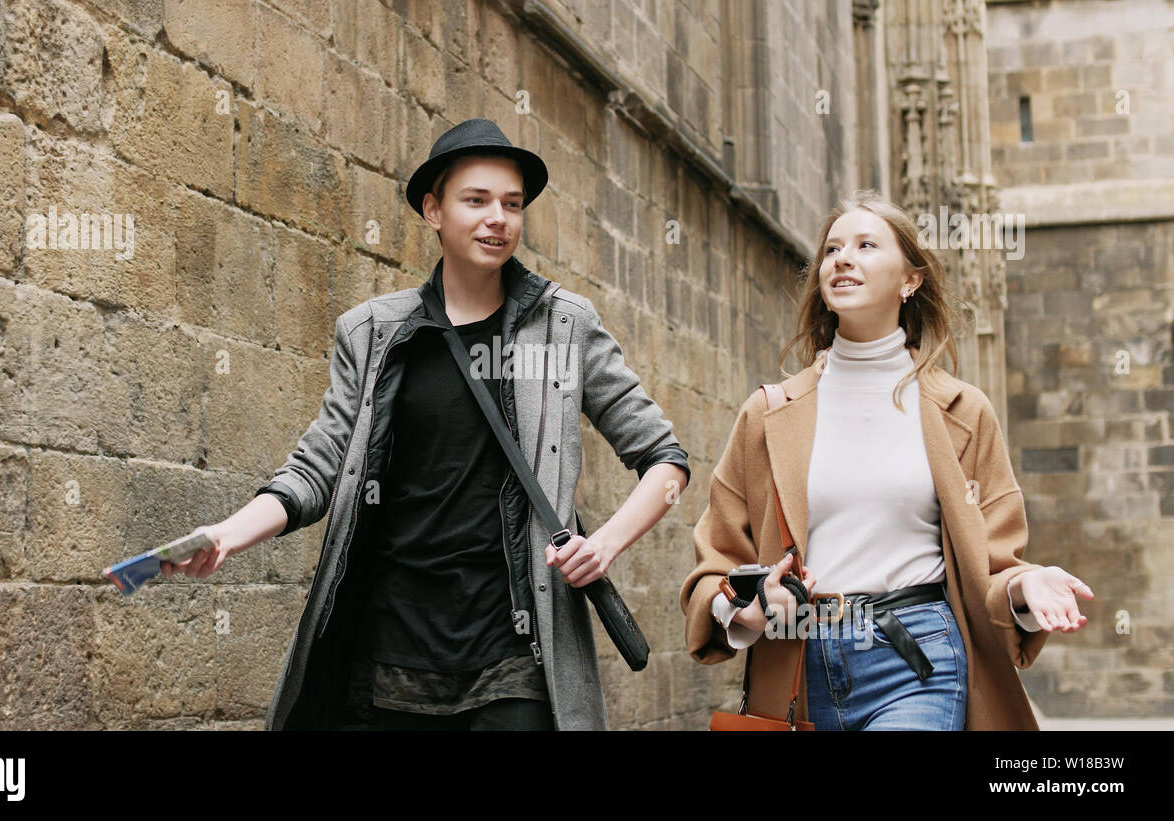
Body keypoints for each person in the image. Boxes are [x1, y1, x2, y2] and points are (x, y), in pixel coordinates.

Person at [164, 118, 689, 730]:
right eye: (477, 200)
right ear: (433, 210)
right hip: (389, 652)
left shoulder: (564, 325)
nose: (498, 217)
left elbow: (664, 458)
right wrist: (228, 535)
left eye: (512, 204)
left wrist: (604, 545)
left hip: (516, 653)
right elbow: (317, 469)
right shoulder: (373, 333)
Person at [680, 190, 1093, 730]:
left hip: (917, 658)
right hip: (800, 664)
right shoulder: (767, 415)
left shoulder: (962, 413)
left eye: (866, 245)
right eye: (831, 250)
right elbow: (716, 563)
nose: (842, 259)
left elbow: (992, 565)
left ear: (910, 280)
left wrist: (1025, 585)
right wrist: (745, 609)